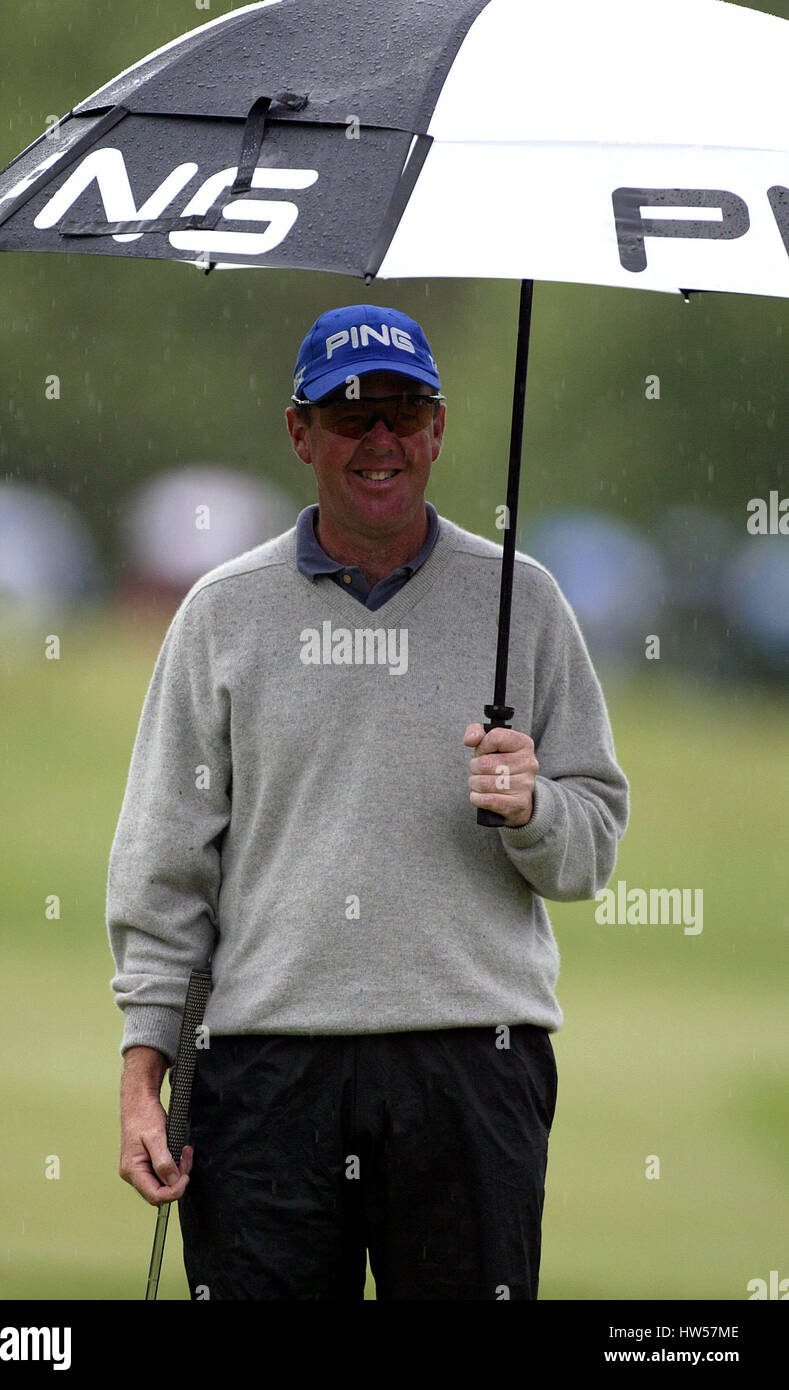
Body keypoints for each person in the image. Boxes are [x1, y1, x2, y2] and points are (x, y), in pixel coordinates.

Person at [108, 303, 629, 1301]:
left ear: (436, 427)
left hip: (476, 1061)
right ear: (300, 433)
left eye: (402, 409)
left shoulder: (525, 601)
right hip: (261, 1070)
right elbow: (165, 864)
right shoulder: (222, 611)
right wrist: (143, 1075)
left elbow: (590, 845)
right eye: (349, 414)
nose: (378, 437)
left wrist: (532, 810)